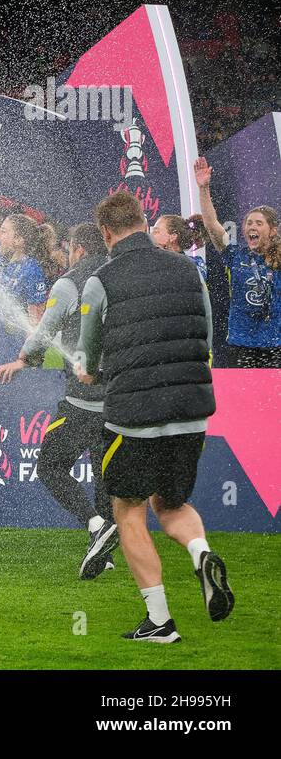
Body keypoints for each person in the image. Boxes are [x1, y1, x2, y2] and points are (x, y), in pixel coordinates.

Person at [77, 191, 229, 643]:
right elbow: (206, 334)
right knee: (172, 504)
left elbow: (87, 357)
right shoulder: (188, 270)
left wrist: (88, 370)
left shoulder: (101, 280)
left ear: (106, 233)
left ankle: (160, 622)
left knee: (128, 510)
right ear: (144, 223)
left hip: (135, 417)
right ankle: (201, 554)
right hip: (191, 411)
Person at [0, 223, 117, 579]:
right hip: (118, 399)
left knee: (49, 464)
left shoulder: (69, 282)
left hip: (83, 399)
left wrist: (24, 359)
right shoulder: (119, 276)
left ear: (78, 249)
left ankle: (96, 525)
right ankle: (105, 554)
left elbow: (45, 330)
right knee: (103, 475)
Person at [194, 157, 281, 367]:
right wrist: (204, 189)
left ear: (272, 231)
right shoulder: (236, 255)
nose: (252, 227)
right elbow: (211, 224)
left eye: (258, 223)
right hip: (241, 344)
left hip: (276, 344)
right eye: (249, 223)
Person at [0, 139, 49, 367]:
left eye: (4, 231)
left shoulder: (31, 269)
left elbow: (35, 322)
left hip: (12, 359)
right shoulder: (0, 255)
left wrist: (22, 362)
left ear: (18, 241)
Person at [150, 214, 207, 280]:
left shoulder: (193, 265)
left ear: (173, 236)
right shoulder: (151, 263)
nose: (151, 235)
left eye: (156, 231)